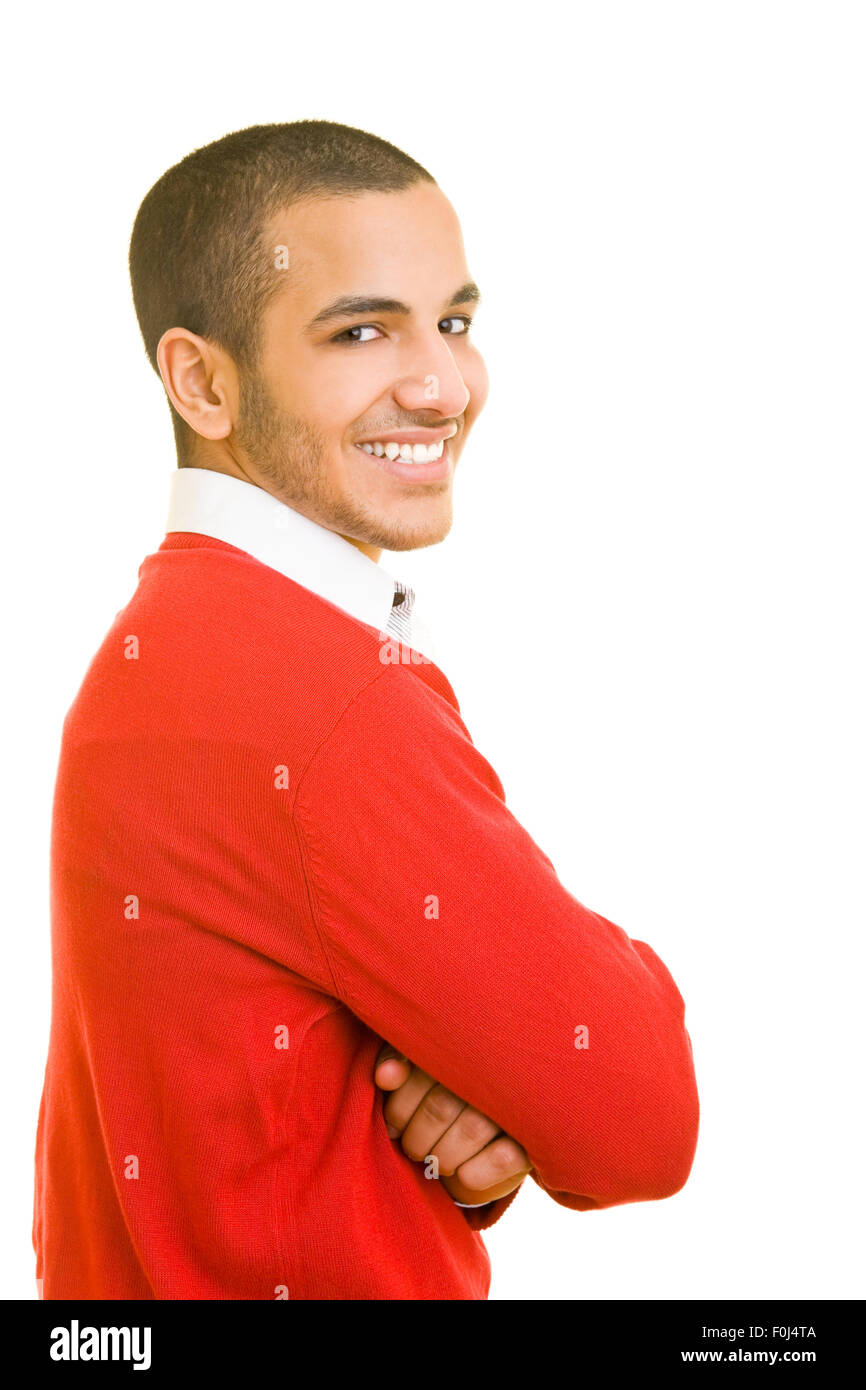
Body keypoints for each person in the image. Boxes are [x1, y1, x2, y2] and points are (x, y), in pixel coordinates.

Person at [32, 119, 699, 1300]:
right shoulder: (310, 693)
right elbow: (640, 1116)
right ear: (203, 381)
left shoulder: (161, 647)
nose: (442, 385)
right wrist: (546, 1063)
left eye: (452, 321)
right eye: (359, 331)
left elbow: (238, 1109)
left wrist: (476, 1103)